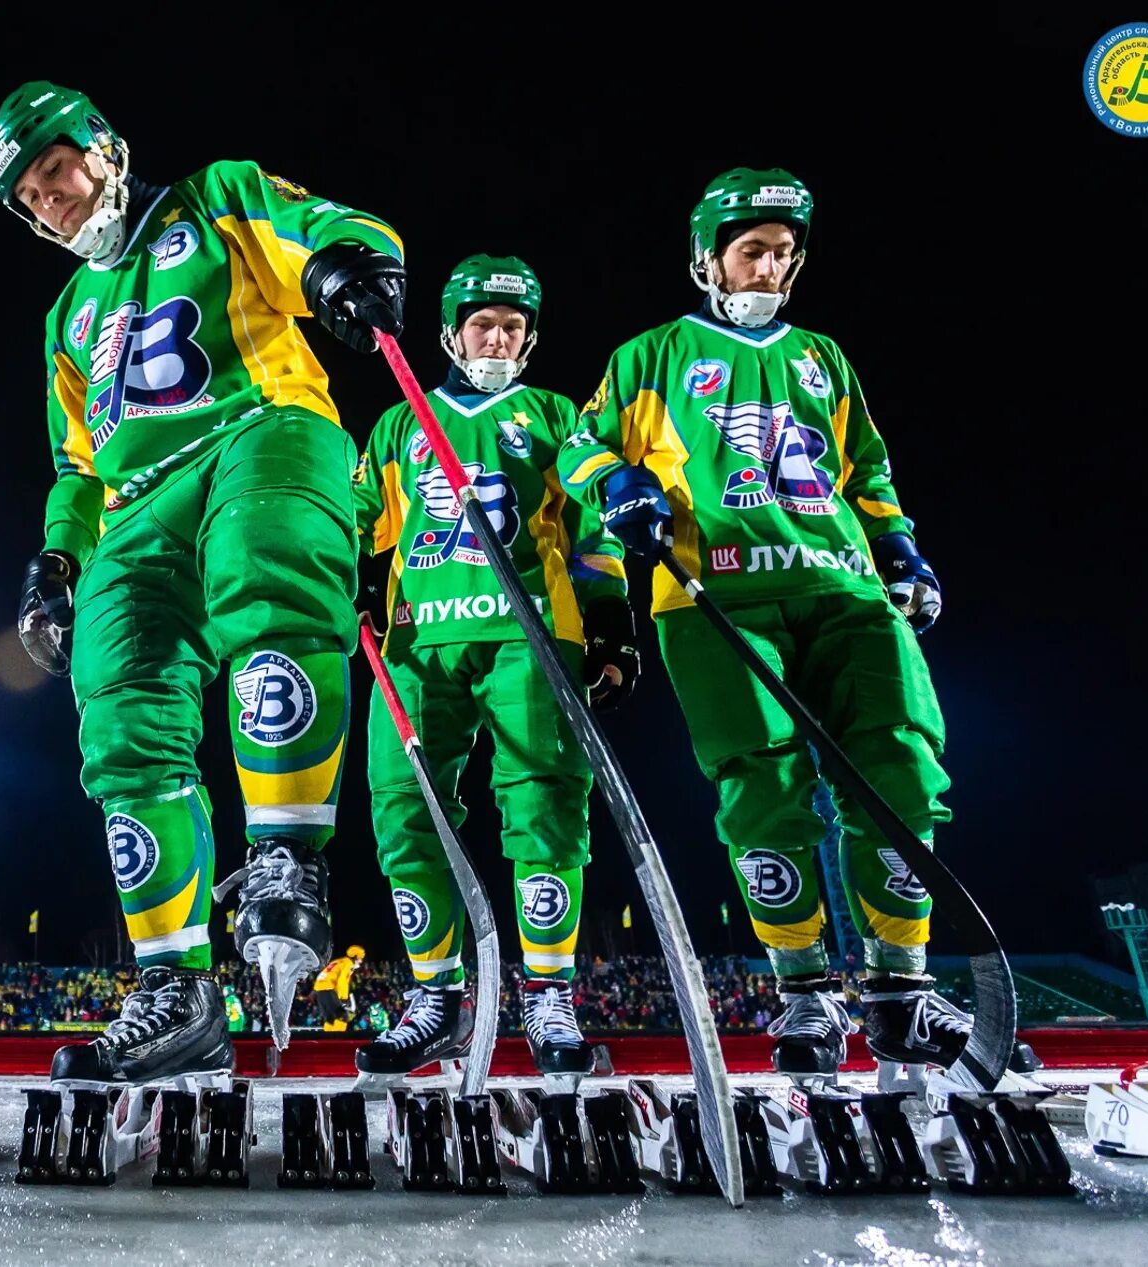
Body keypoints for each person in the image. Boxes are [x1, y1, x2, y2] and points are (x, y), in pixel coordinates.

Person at [0, 80, 405, 1085]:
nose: (52, 197)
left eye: (56, 168)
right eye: (30, 194)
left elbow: (321, 227)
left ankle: (285, 855)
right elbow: (79, 465)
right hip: (135, 498)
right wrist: (54, 561)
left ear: (106, 150)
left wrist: (352, 260)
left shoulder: (213, 195)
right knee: (116, 697)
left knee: (269, 567)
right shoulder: (65, 317)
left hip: (255, 429)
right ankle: (176, 991)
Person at [557, 169, 958, 1081]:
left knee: (899, 768)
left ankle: (902, 988)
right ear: (706, 258)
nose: (769, 267)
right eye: (751, 250)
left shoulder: (824, 355)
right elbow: (583, 447)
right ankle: (806, 992)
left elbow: (869, 472)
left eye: (783, 252)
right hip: (717, 598)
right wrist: (619, 489)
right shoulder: (650, 355)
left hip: (844, 588)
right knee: (763, 791)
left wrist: (901, 553)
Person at [352, 255, 632, 1085]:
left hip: (531, 633)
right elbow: (364, 518)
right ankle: (434, 996)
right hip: (416, 636)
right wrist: (355, 578)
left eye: (514, 327)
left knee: (544, 797)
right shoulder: (402, 420)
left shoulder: (552, 414)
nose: (499, 339)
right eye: (484, 325)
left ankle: (548, 994)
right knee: (405, 808)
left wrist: (612, 626)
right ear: (451, 332)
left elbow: (592, 531)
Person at [313, 944, 366, 1032]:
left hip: (319, 988)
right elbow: (342, 980)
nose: (361, 961)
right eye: (360, 958)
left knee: (330, 1019)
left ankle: (328, 1039)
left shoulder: (339, 961)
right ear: (355, 956)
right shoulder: (349, 963)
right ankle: (338, 1039)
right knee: (342, 1016)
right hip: (328, 987)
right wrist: (343, 997)